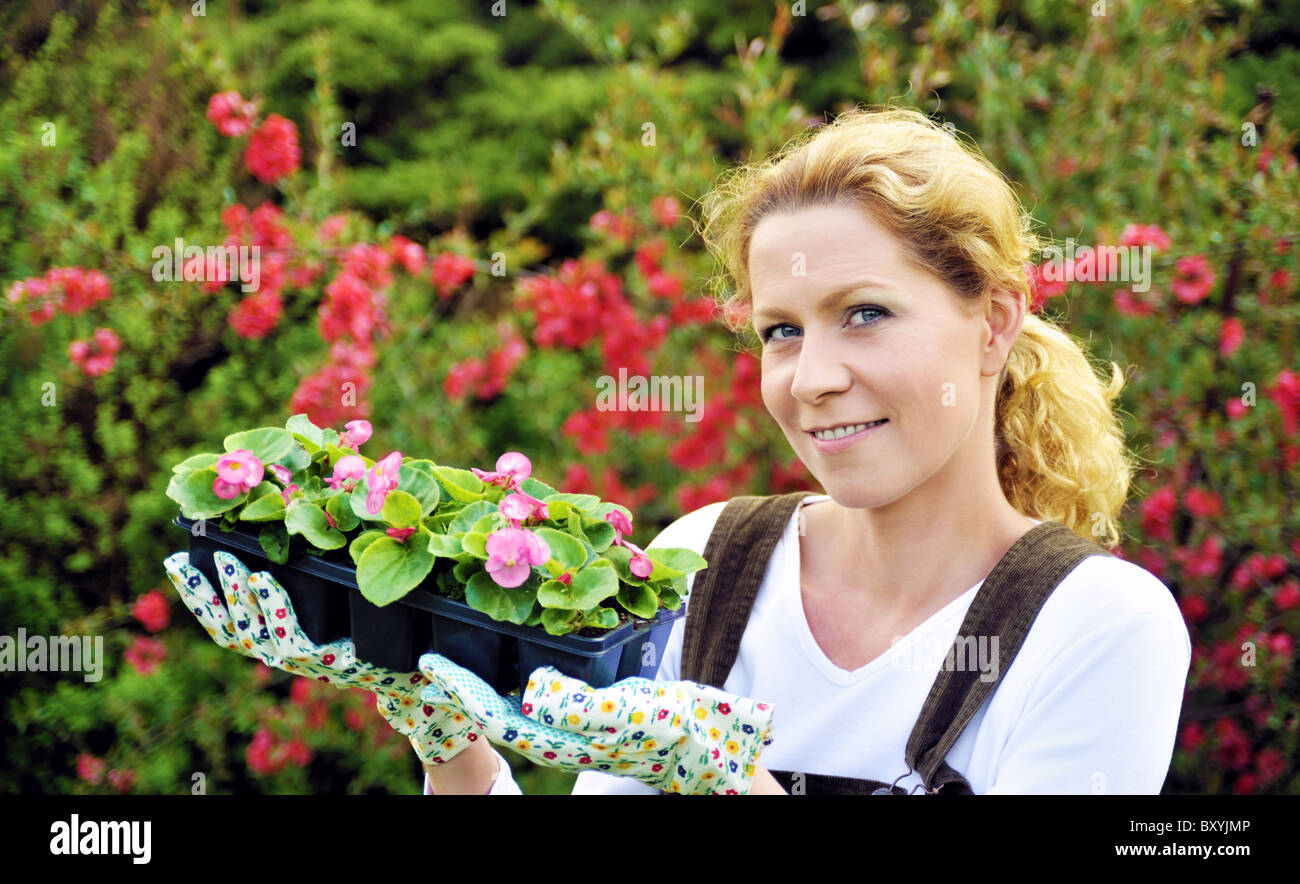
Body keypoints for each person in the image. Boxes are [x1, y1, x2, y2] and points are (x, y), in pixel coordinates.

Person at [421, 105, 1191, 795]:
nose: (813, 379)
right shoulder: (705, 563)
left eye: (863, 313)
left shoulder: (1095, 627)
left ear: (992, 322)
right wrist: (455, 755)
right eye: (782, 331)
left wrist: (735, 782)